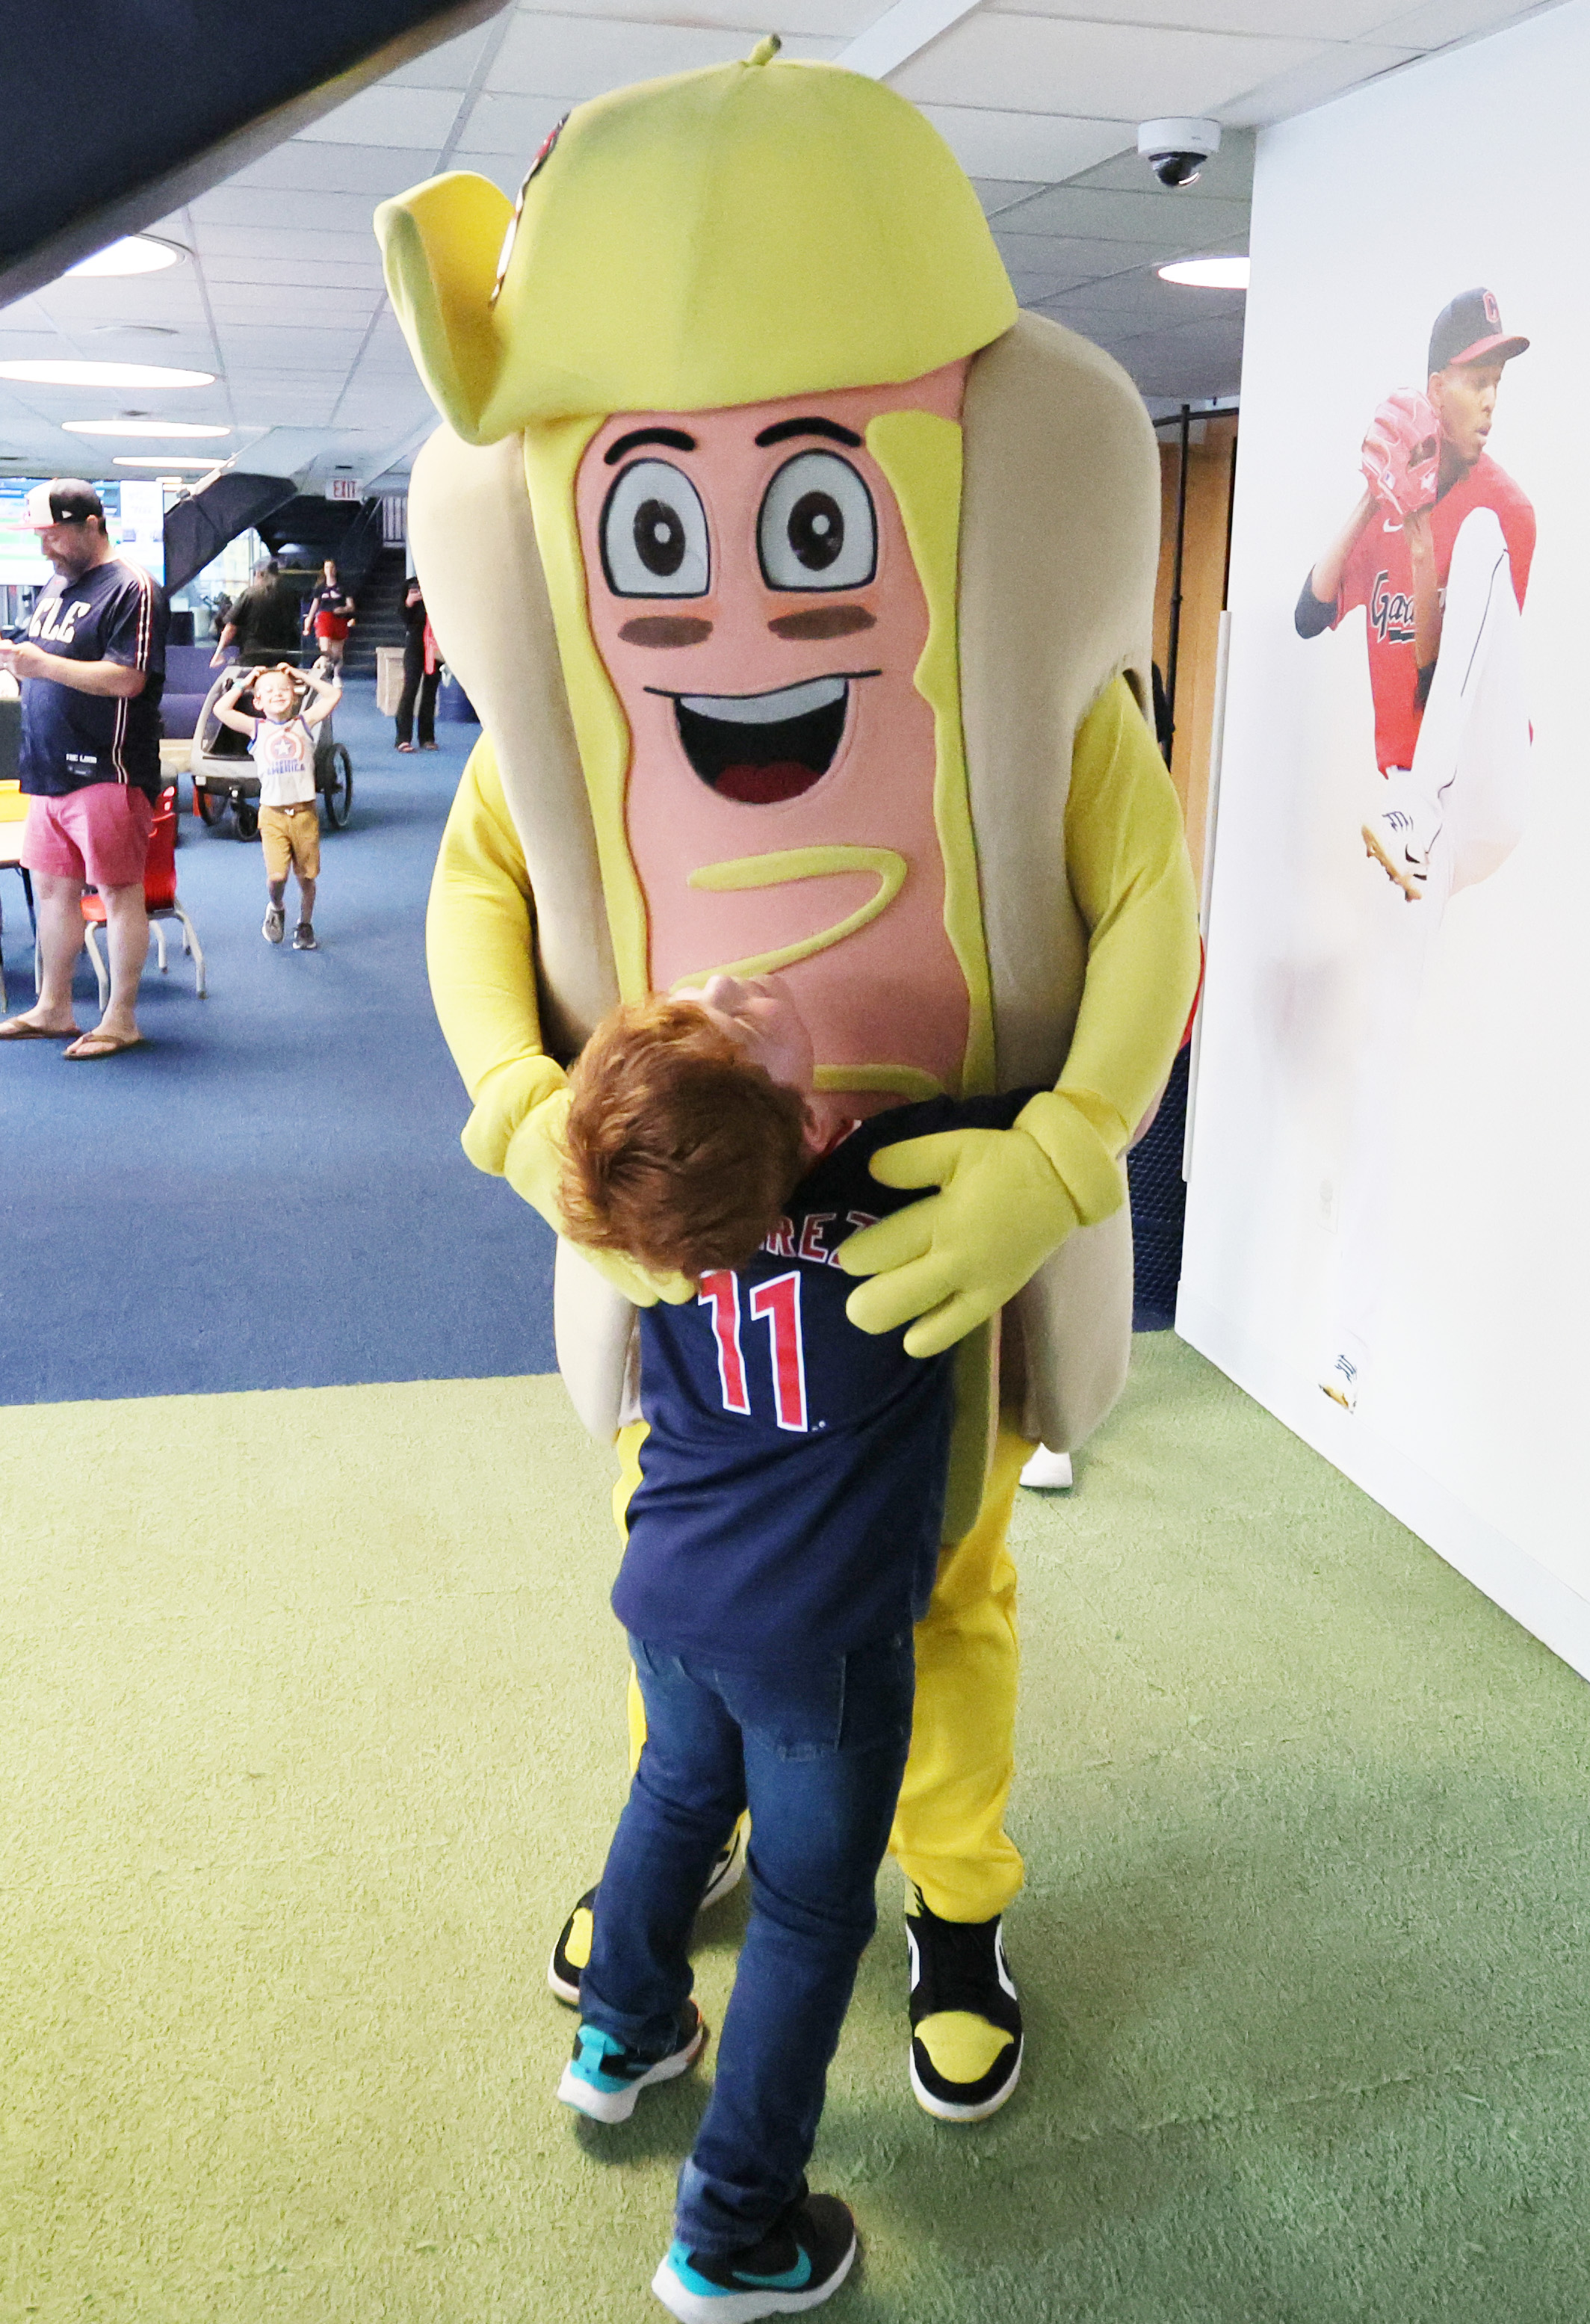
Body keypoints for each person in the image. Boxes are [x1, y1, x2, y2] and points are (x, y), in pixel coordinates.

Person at [380, 52, 1200, 2129]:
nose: (741, 590)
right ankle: (705, 1811)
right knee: (702, 1543)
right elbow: (481, 887)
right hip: (688, 1223)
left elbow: (1146, 911)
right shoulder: (569, 711)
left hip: (942, 1231)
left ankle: (955, 1899)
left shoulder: (1033, 693)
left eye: (812, 502)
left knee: (942, 1581)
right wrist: (521, 1117)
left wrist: (1066, 1152)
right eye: (665, 512)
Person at [556, 974, 1045, 2324]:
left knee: (671, 1793)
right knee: (811, 1912)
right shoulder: (890, 1185)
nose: (718, 981)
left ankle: (623, 2029)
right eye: (717, 1025)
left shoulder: (648, 1218)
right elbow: (1065, 1120)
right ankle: (731, 2230)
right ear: (801, 1112)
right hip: (818, 1644)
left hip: (665, 1592)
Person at [1296, 288, 1535, 1412]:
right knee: (1381, 1059)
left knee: (1482, 538)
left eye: (1501, 376)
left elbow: (1463, 670)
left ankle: (1416, 810)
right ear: (1432, 384)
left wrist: (1434, 527)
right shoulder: (1386, 518)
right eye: (1476, 374)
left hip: (1481, 791)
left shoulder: (1501, 509)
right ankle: (1349, 1343)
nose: (1491, 396)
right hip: (1414, 825)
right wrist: (1373, 499)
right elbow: (1304, 613)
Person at [0, 478, 167, 1059]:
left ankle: (120, 1018)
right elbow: (33, 655)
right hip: (47, 768)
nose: (45, 548)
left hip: (107, 770)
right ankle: (55, 1006)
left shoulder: (133, 587)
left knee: (120, 893)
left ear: (92, 525)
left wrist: (42, 665)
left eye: (54, 535)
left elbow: (128, 678)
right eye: (39, 536)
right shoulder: (56, 583)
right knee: (51, 891)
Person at [212, 663, 339, 951]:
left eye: (284, 690)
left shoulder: (304, 723)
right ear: (258, 703)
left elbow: (332, 696)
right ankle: (277, 906)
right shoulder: (257, 728)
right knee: (277, 876)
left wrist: (302, 676)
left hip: (304, 812)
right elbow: (221, 710)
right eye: (269, 691)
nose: (278, 694)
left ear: (294, 697)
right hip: (272, 814)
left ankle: (305, 924)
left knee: (307, 877)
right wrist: (246, 683)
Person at [211, 557, 302, 669]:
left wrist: (218, 653)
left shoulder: (250, 595)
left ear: (260, 574)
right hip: (283, 657)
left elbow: (230, 628)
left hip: (254, 657)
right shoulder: (291, 596)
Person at [395, 576, 440, 752]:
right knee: (410, 689)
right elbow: (403, 617)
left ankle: (427, 737)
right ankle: (403, 738)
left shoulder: (439, 585)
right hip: (415, 645)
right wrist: (408, 603)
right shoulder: (409, 585)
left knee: (430, 693)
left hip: (435, 647)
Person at [305, 559, 355, 673]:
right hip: (324, 618)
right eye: (327, 568)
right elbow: (315, 605)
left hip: (339, 619)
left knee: (338, 653)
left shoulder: (343, 587)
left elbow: (351, 606)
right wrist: (309, 620)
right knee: (325, 649)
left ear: (336, 570)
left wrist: (343, 609)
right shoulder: (320, 588)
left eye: (332, 567)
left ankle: (336, 674)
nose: (330, 570)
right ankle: (321, 671)